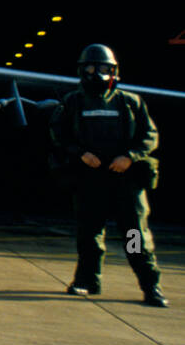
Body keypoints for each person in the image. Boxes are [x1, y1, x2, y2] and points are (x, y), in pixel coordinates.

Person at [49, 44, 167, 307]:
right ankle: (87, 281)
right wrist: (80, 153)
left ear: (114, 71)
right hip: (90, 179)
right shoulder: (73, 102)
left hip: (126, 180)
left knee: (135, 235)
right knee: (89, 234)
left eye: (103, 68)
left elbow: (149, 136)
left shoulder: (131, 102)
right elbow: (59, 133)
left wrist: (131, 157)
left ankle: (151, 286)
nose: (97, 73)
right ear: (82, 71)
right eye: (90, 68)